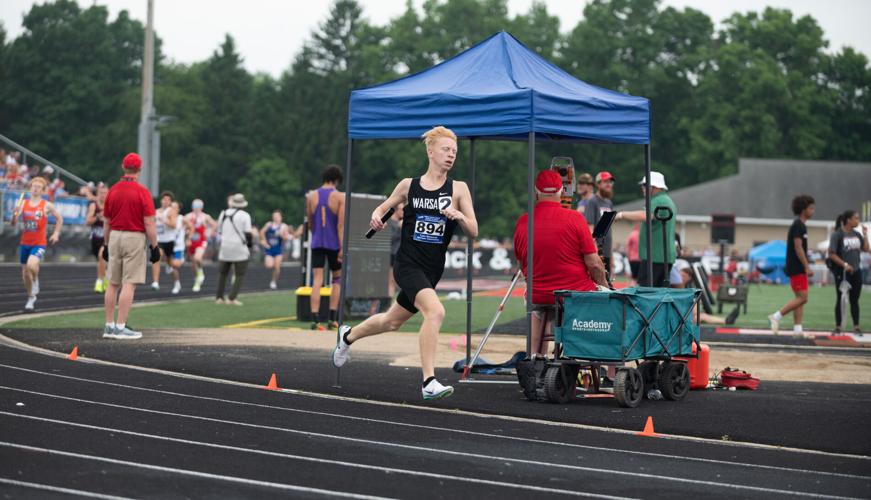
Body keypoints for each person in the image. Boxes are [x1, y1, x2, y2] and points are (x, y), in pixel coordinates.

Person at [332, 126, 477, 401]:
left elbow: (473, 230)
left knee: (391, 321)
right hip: (407, 264)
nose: (451, 155)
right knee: (435, 312)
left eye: (454, 152)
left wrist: (457, 215)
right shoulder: (408, 185)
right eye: (446, 150)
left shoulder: (459, 189)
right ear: (430, 151)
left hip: (432, 269)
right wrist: (376, 216)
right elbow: (383, 208)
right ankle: (429, 381)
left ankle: (347, 337)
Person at [514, 169, 607, 356]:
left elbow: (522, 264)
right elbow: (594, 264)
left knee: (538, 309)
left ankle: (535, 358)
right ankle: (608, 369)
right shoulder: (575, 218)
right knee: (612, 302)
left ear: (536, 191)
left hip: (538, 296)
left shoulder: (523, 221)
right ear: (562, 191)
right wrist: (604, 286)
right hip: (574, 295)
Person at [102, 153, 160, 339]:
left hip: (114, 236)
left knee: (112, 282)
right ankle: (121, 327)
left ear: (123, 166)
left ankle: (109, 325)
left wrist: (105, 242)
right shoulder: (142, 192)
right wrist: (155, 246)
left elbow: (106, 221)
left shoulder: (113, 190)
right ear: (140, 169)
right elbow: (149, 223)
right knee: (129, 282)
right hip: (134, 237)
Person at [615, 171, 676, 287]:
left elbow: (645, 215)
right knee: (656, 293)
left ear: (655, 187)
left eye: (645, 185)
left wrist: (621, 214)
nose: (642, 188)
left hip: (655, 256)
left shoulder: (658, 200)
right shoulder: (664, 199)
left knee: (645, 293)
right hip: (659, 255)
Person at [11, 177, 63, 311]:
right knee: (25, 273)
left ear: (43, 190)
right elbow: (13, 223)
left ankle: (35, 280)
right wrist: (14, 215)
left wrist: (56, 233)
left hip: (39, 243)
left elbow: (59, 218)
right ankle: (31, 297)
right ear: (30, 188)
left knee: (31, 264)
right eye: (33, 186)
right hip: (25, 242)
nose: (35, 189)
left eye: (38, 187)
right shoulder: (23, 203)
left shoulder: (46, 205)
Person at [768, 194, 815, 337]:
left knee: (799, 299)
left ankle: (797, 329)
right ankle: (776, 316)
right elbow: (798, 247)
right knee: (803, 298)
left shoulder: (802, 225)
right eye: (811, 208)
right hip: (797, 267)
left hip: (799, 267)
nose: (813, 211)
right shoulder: (798, 225)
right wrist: (807, 266)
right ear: (803, 210)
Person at [306, 164, 346, 330]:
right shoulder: (340, 197)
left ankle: (315, 319)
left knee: (317, 279)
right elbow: (340, 226)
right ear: (337, 179)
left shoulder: (311, 196)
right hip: (334, 243)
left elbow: (310, 221)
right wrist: (342, 247)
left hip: (317, 242)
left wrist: (316, 234)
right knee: (336, 279)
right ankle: (332, 318)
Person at [828, 209, 869, 335]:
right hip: (843, 272)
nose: (858, 220)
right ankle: (838, 326)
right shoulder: (838, 235)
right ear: (848, 220)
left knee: (854, 300)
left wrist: (865, 235)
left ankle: (856, 327)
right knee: (841, 298)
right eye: (856, 218)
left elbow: (866, 249)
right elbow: (831, 254)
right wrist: (845, 264)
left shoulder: (857, 234)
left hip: (856, 271)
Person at [670, 260, 739, 325]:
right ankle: (726, 321)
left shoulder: (685, 289)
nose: (681, 278)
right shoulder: (674, 288)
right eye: (680, 275)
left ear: (689, 278)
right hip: (676, 317)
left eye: (684, 276)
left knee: (700, 315)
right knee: (699, 316)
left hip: (682, 315)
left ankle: (726, 320)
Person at [215, 194, 253, 305]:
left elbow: (219, 230)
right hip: (239, 247)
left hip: (225, 246)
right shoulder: (245, 215)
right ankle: (232, 298)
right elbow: (248, 233)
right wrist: (249, 245)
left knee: (223, 273)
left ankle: (219, 297)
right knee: (240, 274)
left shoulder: (223, 213)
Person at [583, 171, 616, 275]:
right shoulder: (592, 201)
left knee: (608, 284)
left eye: (610, 182)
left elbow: (609, 230)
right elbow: (590, 229)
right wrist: (594, 252)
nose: (609, 184)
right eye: (605, 181)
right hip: (597, 251)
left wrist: (611, 257)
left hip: (607, 252)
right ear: (598, 184)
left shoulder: (609, 203)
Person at [151, 191, 182, 293]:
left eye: (168, 200)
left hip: (169, 241)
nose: (165, 201)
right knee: (157, 257)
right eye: (164, 199)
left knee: (171, 265)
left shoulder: (171, 211)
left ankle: (177, 282)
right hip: (159, 240)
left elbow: (173, 224)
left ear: (170, 202)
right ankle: (155, 282)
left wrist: (164, 220)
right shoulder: (156, 211)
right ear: (161, 200)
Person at [185, 199, 217, 292]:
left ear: (202, 207)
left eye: (198, 206)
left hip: (201, 241)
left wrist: (210, 232)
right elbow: (183, 227)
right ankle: (197, 278)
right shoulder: (188, 216)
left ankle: (200, 275)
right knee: (192, 263)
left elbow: (214, 224)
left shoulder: (205, 217)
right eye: (195, 206)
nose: (197, 208)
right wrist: (186, 233)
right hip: (191, 242)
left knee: (197, 258)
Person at [86, 183, 109, 293]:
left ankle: (99, 282)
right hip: (95, 238)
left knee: (102, 256)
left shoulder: (111, 206)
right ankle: (105, 278)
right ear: (98, 194)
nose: (103, 195)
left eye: (105, 193)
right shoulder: (93, 206)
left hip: (107, 238)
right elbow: (88, 221)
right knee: (100, 261)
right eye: (101, 193)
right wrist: (98, 217)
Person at [260, 210, 290, 290]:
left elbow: (287, 238)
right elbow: (262, 232)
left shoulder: (284, 226)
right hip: (269, 249)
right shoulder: (268, 225)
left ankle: (273, 281)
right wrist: (264, 241)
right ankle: (272, 270)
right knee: (269, 265)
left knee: (277, 267)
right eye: (275, 217)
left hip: (278, 249)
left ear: (281, 217)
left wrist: (281, 235)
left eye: (278, 216)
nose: (276, 218)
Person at [387, 203, 405, 298]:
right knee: (391, 281)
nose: (403, 211)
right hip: (391, 255)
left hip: (400, 255)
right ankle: (389, 304)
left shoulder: (401, 222)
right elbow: (389, 239)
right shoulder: (390, 223)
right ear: (395, 210)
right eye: (402, 209)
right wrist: (398, 228)